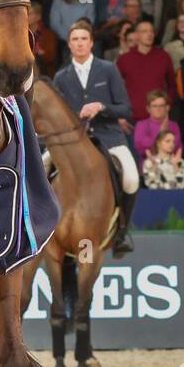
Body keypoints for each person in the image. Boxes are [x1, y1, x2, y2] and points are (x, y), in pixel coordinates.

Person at [53, 20, 139, 256]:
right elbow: (56, 116)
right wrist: (74, 116)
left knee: (131, 178)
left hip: (108, 136)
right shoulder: (61, 77)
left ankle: (122, 232)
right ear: (69, 45)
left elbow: (125, 108)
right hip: (73, 140)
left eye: (84, 39)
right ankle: (40, 230)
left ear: (91, 43)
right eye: (75, 40)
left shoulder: (108, 69)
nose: (80, 43)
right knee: (40, 166)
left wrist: (101, 106)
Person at [133, 90, 181, 164]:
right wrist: (160, 133)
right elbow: (141, 149)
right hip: (149, 169)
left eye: (161, 105)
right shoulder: (141, 125)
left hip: (171, 167)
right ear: (148, 108)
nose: (158, 109)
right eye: (154, 106)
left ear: (167, 108)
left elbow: (176, 148)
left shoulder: (174, 125)